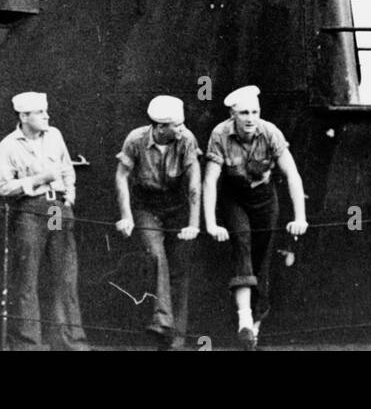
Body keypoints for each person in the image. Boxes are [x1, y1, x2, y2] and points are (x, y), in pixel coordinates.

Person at [203, 84, 308, 350]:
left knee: (262, 258)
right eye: (244, 113)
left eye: (255, 112)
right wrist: (210, 222)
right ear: (232, 115)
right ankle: (244, 319)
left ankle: (255, 327)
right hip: (234, 197)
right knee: (242, 241)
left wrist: (300, 217)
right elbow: (210, 180)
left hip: (264, 198)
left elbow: (292, 175)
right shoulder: (220, 135)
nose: (250, 118)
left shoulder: (270, 132)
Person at [0, 91, 90, 351]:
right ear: (24, 116)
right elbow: (4, 187)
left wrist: (68, 197)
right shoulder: (9, 145)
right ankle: (27, 345)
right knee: (27, 277)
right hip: (29, 211)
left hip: (56, 210)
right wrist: (39, 179)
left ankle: (70, 343)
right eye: (40, 112)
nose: (47, 115)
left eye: (46, 110)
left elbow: (67, 169)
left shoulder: (55, 135)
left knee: (64, 273)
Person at [114, 94, 200, 349]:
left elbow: (194, 184)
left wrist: (193, 223)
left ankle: (176, 341)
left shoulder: (187, 140)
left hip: (177, 206)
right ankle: (162, 320)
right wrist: (126, 215)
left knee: (180, 268)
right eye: (177, 125)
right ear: (161, 127)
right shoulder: (136, 140)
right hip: (146, 206)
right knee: (156, 256)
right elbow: (121, 177)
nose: (182, 128)